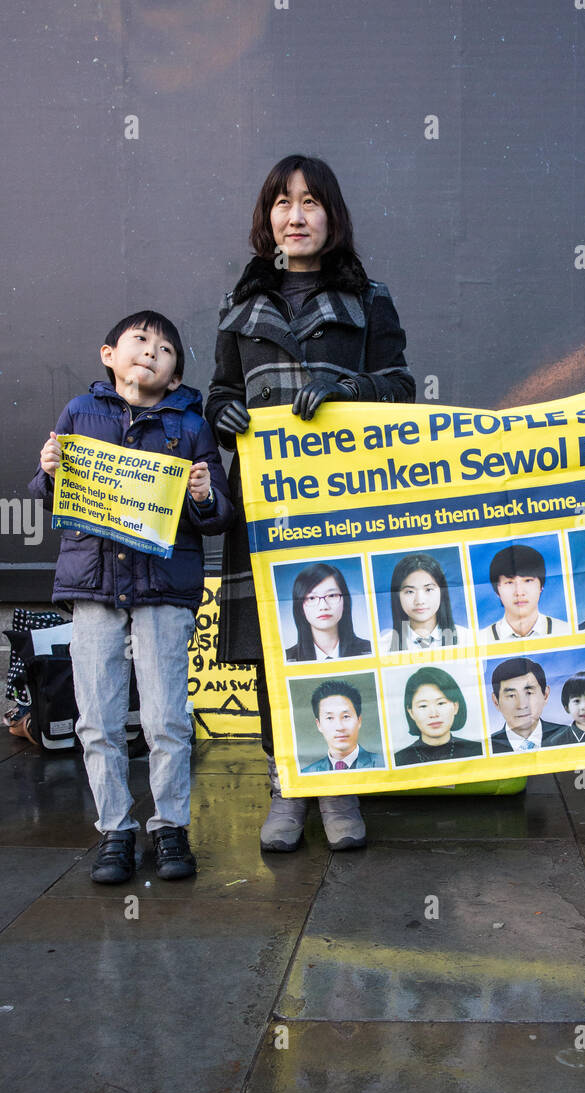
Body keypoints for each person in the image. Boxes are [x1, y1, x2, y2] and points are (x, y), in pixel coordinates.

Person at [206, 154, 414, 852]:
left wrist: (351, 394)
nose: (296, 216)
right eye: (282, 203)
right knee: (276, 647)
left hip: (341, 503)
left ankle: (341, 787)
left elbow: (401, 386)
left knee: (337, 639)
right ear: (267, 220)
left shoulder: (369, 299)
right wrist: (225, 412)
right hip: (265, 507)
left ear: (332, 215)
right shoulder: (239, 306)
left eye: (310, 202)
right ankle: (288, 784)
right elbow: (219, 391)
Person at [29, 311, 233, 884]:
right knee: (97, 717)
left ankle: (170, 825)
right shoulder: (79, 412)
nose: (150, 351)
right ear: (108, 354)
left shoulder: (192, 427)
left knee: (167, 717)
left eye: (165, 349)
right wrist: (48, 473)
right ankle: (115, 829)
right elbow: (55, 495)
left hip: (164, 589)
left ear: (173, 377)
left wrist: (202, 493)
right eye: (139, 341)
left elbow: (217, 514)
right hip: (92, 587)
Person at [379, 552, 472, 651]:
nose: (419, 601)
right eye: (410, 591)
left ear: (441, 591)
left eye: (428, 589)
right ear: (397, 596)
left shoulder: (467, 639)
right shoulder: (383, 647)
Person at [393, 667, 483, 764]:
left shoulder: (479, 751)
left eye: (441, 703)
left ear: (455, 707)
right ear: (411, 713)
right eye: (423, 706)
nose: (433, 714)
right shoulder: (398, 760)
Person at [284, 562, 371, 662]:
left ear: (345, 602)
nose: (323, 606)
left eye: (332, 595)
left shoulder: (369, 650)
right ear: (300, 608)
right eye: (312, 598)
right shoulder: (287, 658)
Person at [484, 543, 569, 641]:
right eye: (509, 582)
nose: (519, 592)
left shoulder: (565, 631)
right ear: (497, 590)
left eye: (528, 580)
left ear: (541, 586)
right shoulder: (482, 639)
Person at [301, 680, 382, 776]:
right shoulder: (307, 774)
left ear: (359, 720)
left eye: (346, 716)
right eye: (330, 718)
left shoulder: (383, 764)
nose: (339, 727)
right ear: (319, 725)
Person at [488, 657, 564, 753]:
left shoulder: (569, 736)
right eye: (511, 695)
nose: (522, 705)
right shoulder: (487, 747)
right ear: (496, 702)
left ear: (545, 695)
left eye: (529, 693)